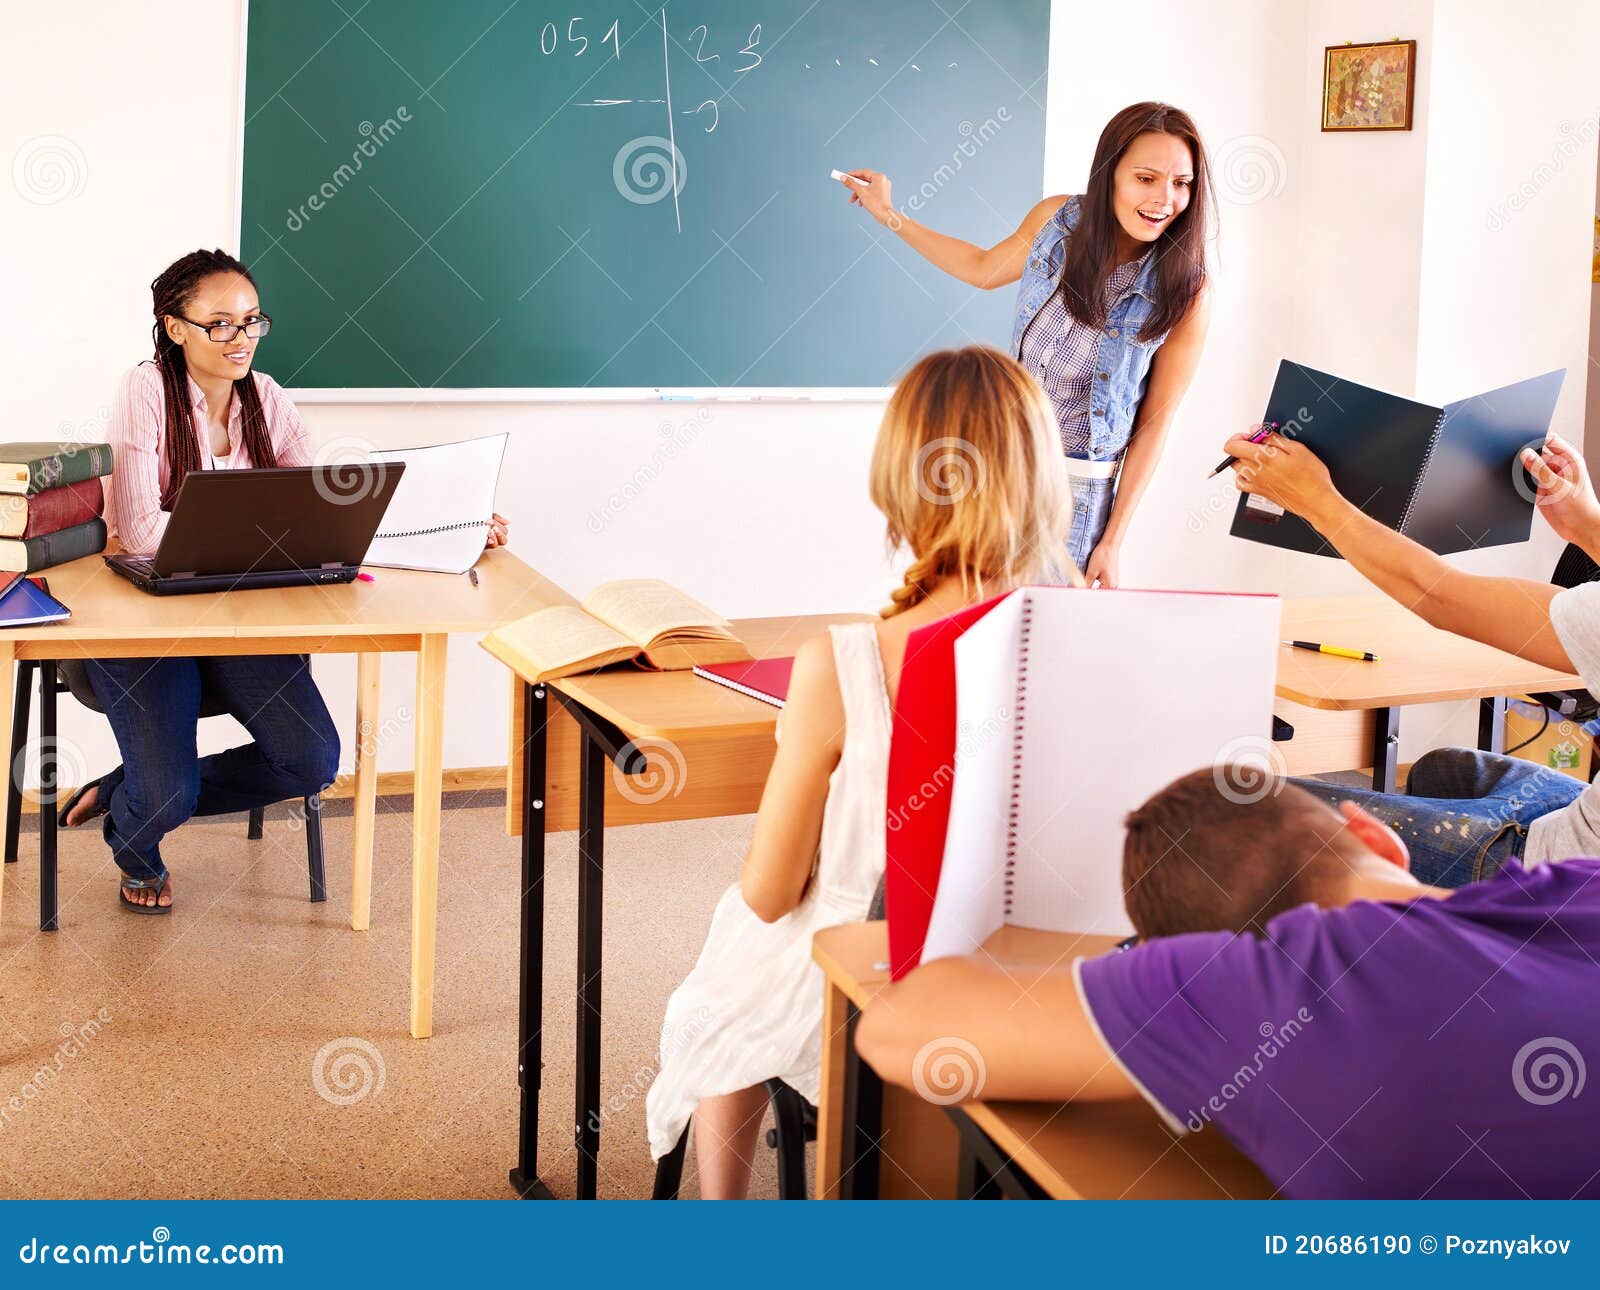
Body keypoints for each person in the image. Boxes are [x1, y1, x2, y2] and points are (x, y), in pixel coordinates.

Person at [644, 346, 1078, 1197]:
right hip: (1040, 973)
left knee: (732, 958)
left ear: (900, 483)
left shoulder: (842, 664)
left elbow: (773, 893)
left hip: (866, 975)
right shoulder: (1091, 644)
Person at [856, 768, 1600, 1199]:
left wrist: (1141, 976)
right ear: (1375, 834)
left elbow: (900, 1027)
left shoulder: (1267, 995)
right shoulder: (1579, 885)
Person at [62, 248, 507, 913]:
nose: (240, 340)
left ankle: (136, 791)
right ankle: (138, 839)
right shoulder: (145, 391)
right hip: (147, 624)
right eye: (219, 324)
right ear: (174, 326)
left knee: (308, 761)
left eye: (251, 322)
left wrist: (459, 525)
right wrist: (250, 535)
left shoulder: (267, 398)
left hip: (244, 622)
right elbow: (141, 530)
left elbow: (327, 515)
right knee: (167, 795)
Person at [840, 102, 1214, 586]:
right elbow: (981, 267)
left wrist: (1113, 541)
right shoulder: (1058, 221)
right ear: (1110, 175)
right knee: (963, 626)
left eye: (1181, 183)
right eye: (1145, 178)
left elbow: (1155, 424)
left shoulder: (1186, 288)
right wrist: (890, 215)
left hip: (1075, 495)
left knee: (1038, 649)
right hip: (996, 466)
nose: (1165, 198)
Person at [1219, 422, 1597, 885]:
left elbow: (1439, 595)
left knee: (1237, 808)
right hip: (1580, 814)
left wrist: (1312, 497)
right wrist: (1588, 525)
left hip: (1572, 876)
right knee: (1444, 770)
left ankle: (1475, 918)